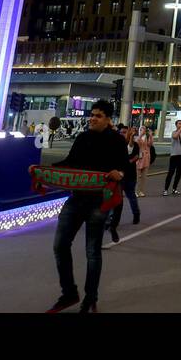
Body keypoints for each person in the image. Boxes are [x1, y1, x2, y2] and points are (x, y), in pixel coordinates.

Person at [47, 100, 128, 313]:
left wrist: (118, 173)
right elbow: (69, 162)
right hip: (76, 200)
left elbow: (123, 168)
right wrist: (42, 170)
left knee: (92, 251)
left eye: (98, 115)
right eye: (92, 114)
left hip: (99, 203)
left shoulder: (117, 141)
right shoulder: (82, 138)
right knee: (60, 245)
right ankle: (69, 293)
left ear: (109, 119)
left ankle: (90, 297)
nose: (93, 118)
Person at [107, 125, 142, 242]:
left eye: (125, 132)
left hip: (129, 175)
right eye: (121, 132)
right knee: (115, 200)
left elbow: (135, 155)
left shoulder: (133, 145)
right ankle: (111, 223)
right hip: (117, 178)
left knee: (130, 196)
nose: (123, 134)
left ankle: (136, 214)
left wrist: (128, 161)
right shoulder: (115, 145)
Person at [163, 120, 181, 196]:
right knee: (171, 173)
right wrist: (180, 129)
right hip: (174, 155)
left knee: (179, 173)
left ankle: (174, 188)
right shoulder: (174, 132)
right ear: (176, 125)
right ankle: (166, 189)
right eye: (179, 123)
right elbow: (175, 137)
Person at [134, 127, 153, 196]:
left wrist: (150, 136)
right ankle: (135, 191)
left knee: (144, 176)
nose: (143, 130)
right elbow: (136, 143)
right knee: (137, 176)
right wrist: (141, 135)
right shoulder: (137, 137)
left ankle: (141, 191)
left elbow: (150, 144)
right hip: (139, 158)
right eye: (141, 129)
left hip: (146, 158)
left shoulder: (147, 137)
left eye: (144, 129)